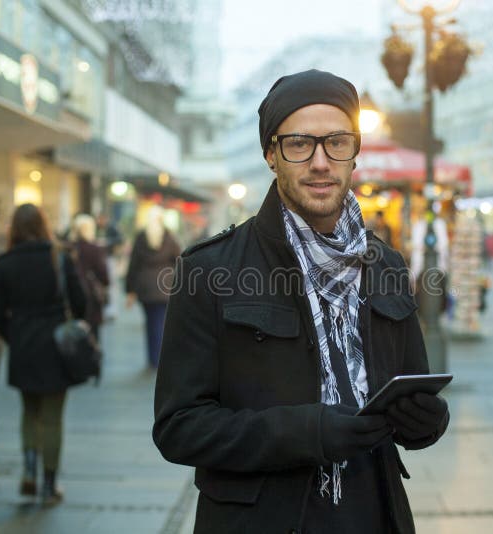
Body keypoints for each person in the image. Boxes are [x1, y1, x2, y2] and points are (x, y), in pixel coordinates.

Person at [152, 69, 450, 534]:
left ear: (354, 152)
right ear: (271, 154)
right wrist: (306, 433)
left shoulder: (386, 264)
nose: (320, 162)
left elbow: (408, 388)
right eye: (299, 144)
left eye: (337, 142)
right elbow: (179, 427)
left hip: (373, 514)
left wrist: (426, 421)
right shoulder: (208, 270)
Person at [0, 204, 86, 505]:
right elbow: (80, 302)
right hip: (55, 345)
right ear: (43, 225)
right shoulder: (59, 257)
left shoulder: (5, 263)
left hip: (23, 344)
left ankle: (29, 471)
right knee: (53, 418)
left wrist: (13, 336)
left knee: (29, 412)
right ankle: (49, 484)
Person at [125, 206, 181, 369]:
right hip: (164, 286)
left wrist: (130, 289)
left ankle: (152, 357)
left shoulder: (141, 237)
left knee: (151, 322)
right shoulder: (169, 237)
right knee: (161, 322)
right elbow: (180, 259)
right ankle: (159, 358)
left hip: (145, 288)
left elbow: (133, 264)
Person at [69, 214, 109, 338]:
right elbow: (103, 275)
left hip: (71, 296)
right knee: (92, 335)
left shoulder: (68, 248)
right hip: (91, 295)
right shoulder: (94, 249)